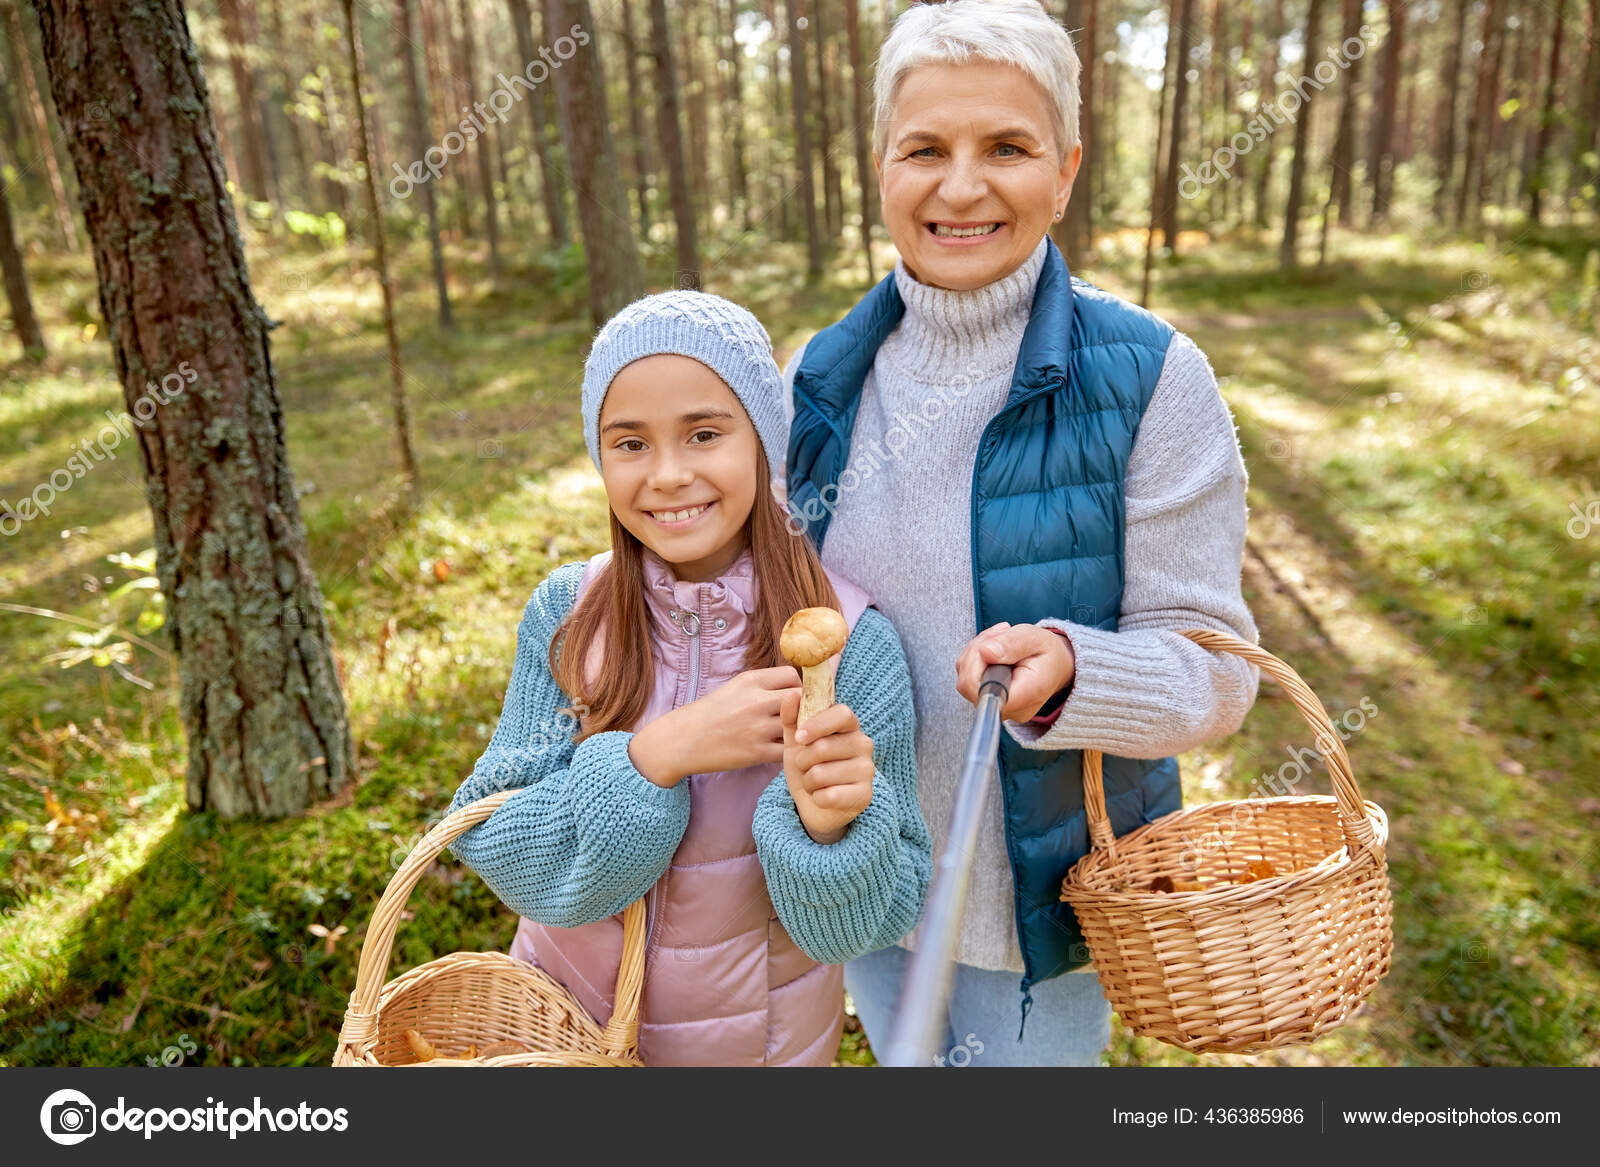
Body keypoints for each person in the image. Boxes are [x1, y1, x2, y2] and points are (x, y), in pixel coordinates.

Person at [780, 0, 1261, 1066]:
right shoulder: (816, 380)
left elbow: (1218, 675)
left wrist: (1075, 673)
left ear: (1066, 167)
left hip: (1038, 907)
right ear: (879, 166)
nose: (960, 186)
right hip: (867, 872)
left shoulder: (1149, 378)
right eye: (925, 149)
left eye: (1006, 146)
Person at [446, 290, 932, 1066]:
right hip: (563, 1041)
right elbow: (495, 837)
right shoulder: (570, 619)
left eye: (704, 433)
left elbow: (867, 926)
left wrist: (829, 827)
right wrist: (655, 755)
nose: (669, 475)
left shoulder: (849, 647)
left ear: (763, 442)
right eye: (630, 443)